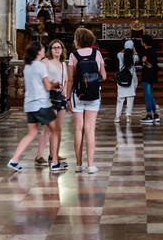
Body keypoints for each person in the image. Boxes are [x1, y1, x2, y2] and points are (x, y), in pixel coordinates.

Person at [7, 42, 59, 172]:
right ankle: (55, 162)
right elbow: (47, 86)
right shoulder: (40, 66)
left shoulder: (27, 67)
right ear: (38, 52)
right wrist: (55, 85)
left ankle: (14, 160)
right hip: (41, 103)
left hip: (29, 104)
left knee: (32, 133)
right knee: (56, 130)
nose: (44, 50)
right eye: (43, 48)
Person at [66, 25, 106, 173]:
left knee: (78, 129)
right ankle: (90, 165)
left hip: (77, 94)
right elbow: (104, 76)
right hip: (94, 95)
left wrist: (68, 97)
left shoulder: (73, 55)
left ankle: (78, 164)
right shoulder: (97, 53)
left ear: (78, 40)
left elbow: (70, 79)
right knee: (90, 129)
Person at [34, 38, 68, 169]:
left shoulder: (63, 64)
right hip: (49, 97)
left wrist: (65, 90)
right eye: (54, 47)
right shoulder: (45, 62)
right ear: (50, 50)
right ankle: (39, 156)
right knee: (48, 128)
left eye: (59, 47)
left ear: (62, 49)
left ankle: (53, 154)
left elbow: (66, 81)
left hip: (61, 97)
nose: (57, 49)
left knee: (57, 128)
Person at [137, 33, 160, 123]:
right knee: (150, 94)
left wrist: (144, 62)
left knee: (147, 95)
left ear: (144, 42)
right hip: (152, 75)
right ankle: (155, 114)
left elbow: (149, 65)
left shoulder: (147, 51)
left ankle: (149, 115)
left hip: (147, 75)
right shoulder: (153, 50)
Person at [114, 38, 139, 122]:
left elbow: (120, 52)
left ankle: (117, 117)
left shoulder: (120, 55)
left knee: (120, 99)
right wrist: (133, 50)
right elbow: (137, 56)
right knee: (130, 98)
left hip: (121, 79)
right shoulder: (134, 57)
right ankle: (128, 116)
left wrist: (126, 48)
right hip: (130, 80)